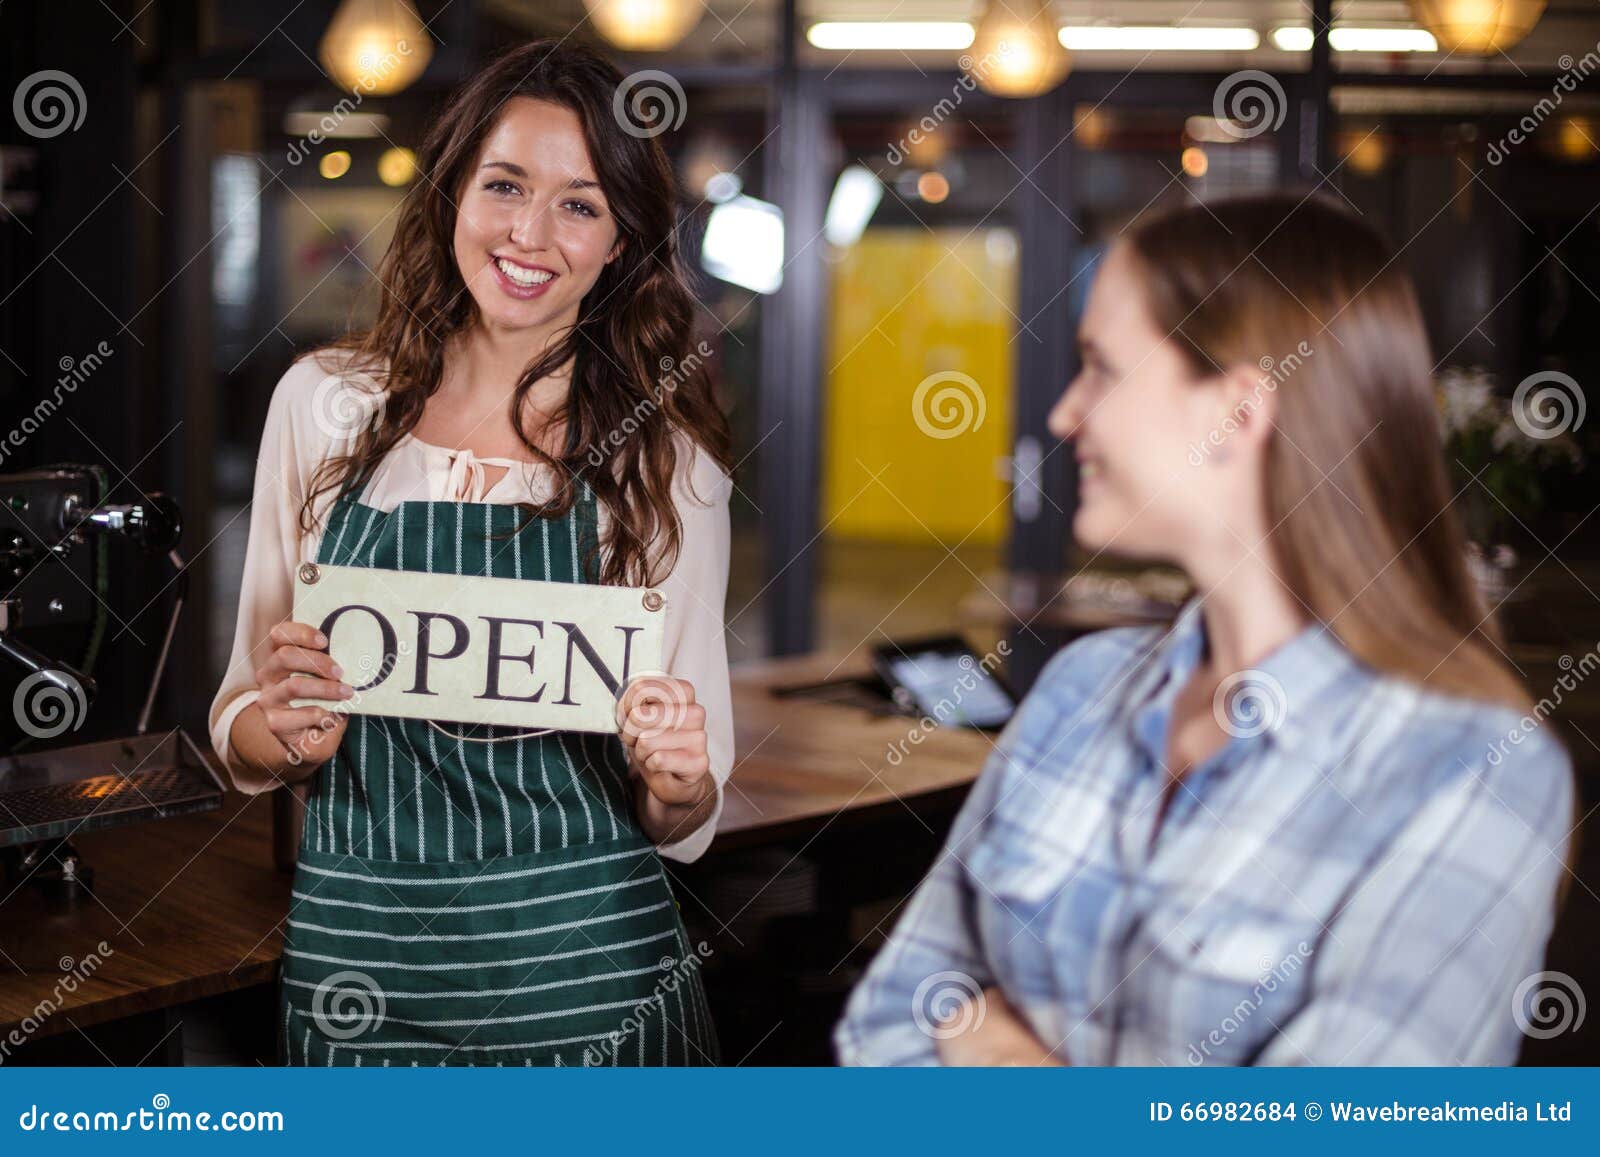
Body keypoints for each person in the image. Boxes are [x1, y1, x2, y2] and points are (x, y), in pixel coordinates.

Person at [834, 193, 1577, 1066]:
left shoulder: (1469, 769)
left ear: (1237, 413)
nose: (1065, 413)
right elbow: (884, 1028)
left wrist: (998, 1051)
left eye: (1101, 368)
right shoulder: (1081, 688)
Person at [207, 40, 732, 1066]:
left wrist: (678, 780)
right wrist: (286, 733)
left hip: (591, 985)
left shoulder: (667, 464)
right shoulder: (324, 405)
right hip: (361, 976)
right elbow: (239, 722)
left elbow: (687, 811)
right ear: (451, 193)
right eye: (505, 185)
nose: (530, 233)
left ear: (620, 240)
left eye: (579, 204)